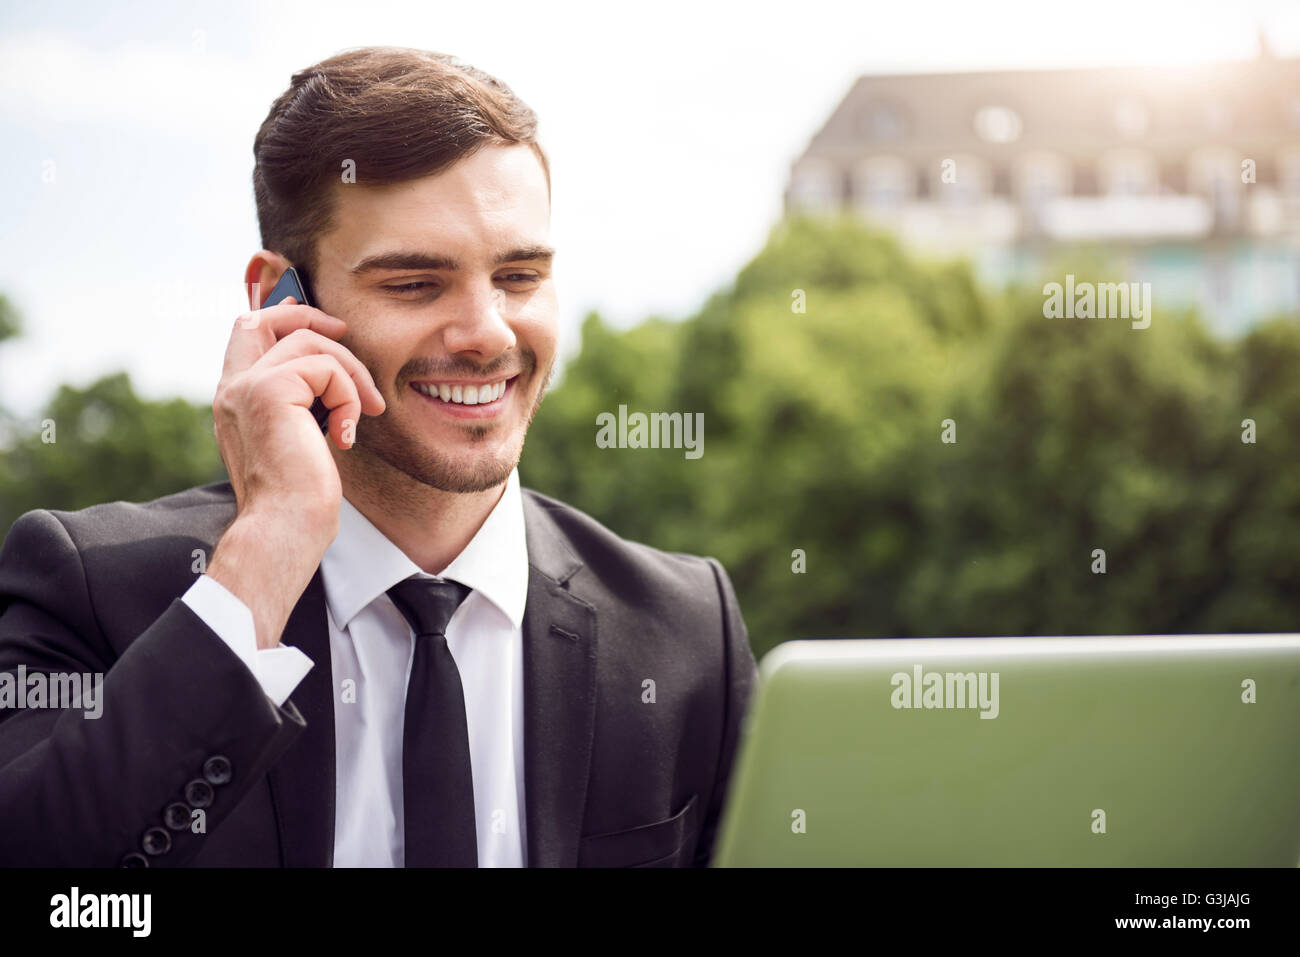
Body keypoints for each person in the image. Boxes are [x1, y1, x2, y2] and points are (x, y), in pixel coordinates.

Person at [0, 46, 758, 867]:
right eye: (415, 284)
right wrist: (266, 557)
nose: (489, 333)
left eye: (519, 275)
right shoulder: (88, 590)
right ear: (279, 302)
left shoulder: (687, 630)